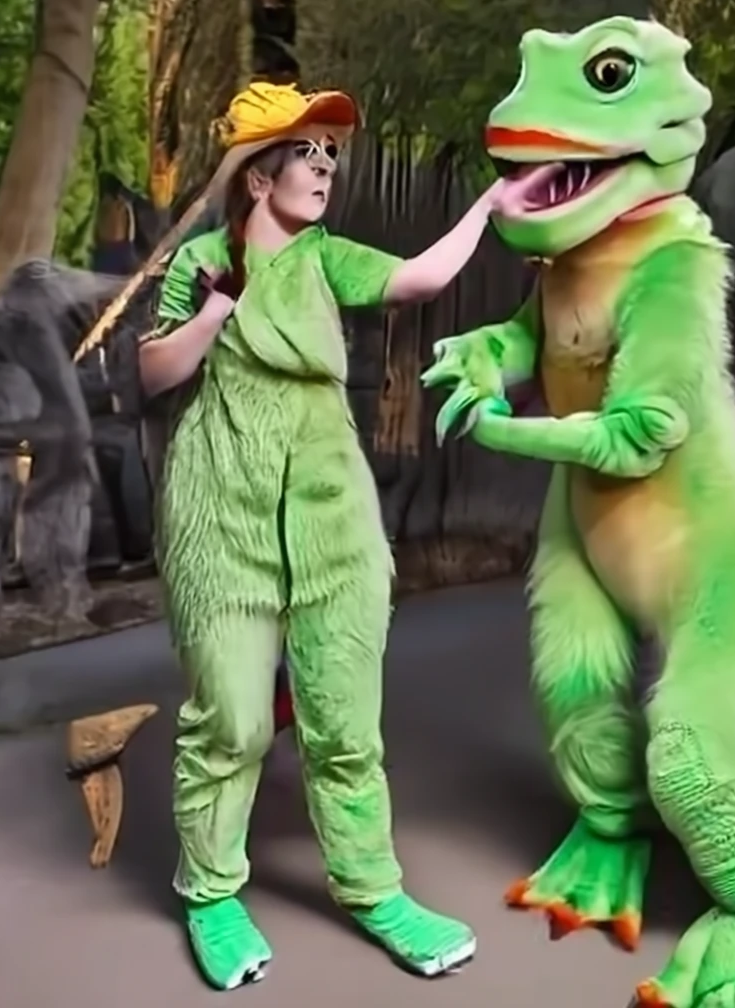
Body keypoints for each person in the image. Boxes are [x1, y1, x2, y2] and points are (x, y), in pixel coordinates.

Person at [138, 81, 553, 990]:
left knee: (344, 724)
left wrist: (488, 203)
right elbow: (156, 370)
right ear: (259, 174)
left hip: (332, 517)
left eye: (331, 156)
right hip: (223, 512)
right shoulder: (204, 260)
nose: (325, 168)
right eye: (309, 154)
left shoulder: (328, 258)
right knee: (234, 722)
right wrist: (217, 307)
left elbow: (418, 278)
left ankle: (374, 889)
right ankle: (211, 892)